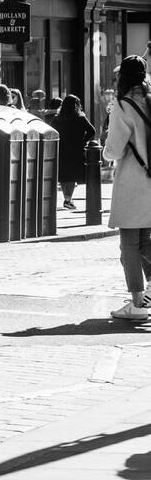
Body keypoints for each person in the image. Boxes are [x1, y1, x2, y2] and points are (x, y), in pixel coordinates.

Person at [103, 56, 151, 320]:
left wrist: (106, 154)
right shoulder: (150, 98)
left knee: (129, 244)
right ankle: (144, 298)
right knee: (145, 241)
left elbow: (114, 148)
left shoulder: (123, 105)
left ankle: (137, 304)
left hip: (134, 179)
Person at [52, 94, 95, 211]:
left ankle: (67, 199)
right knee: (71, 176)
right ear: (76, 105)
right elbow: (92, 131)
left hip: (61, 149)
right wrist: (83, 141)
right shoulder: (80, 118)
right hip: (75, 150)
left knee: (65, 176)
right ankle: (68, 200)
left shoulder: (57, 118)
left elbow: (52, 131)